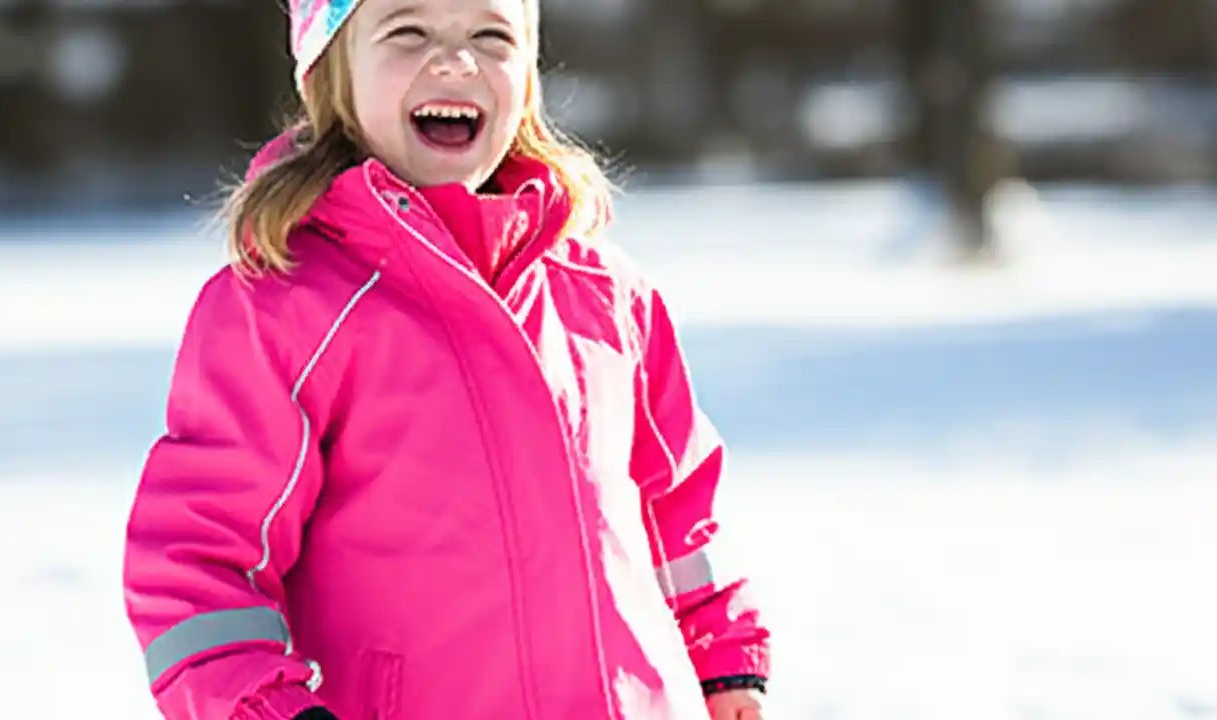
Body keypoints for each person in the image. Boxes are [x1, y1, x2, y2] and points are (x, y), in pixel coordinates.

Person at [122, 0, 770, 718]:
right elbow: (199, 559)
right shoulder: (286, 310)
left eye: (491, 35)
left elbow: (675, 505)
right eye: (409, 31)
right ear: (331, 72)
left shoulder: (604, 297)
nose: (456, 61)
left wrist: (722, 657)